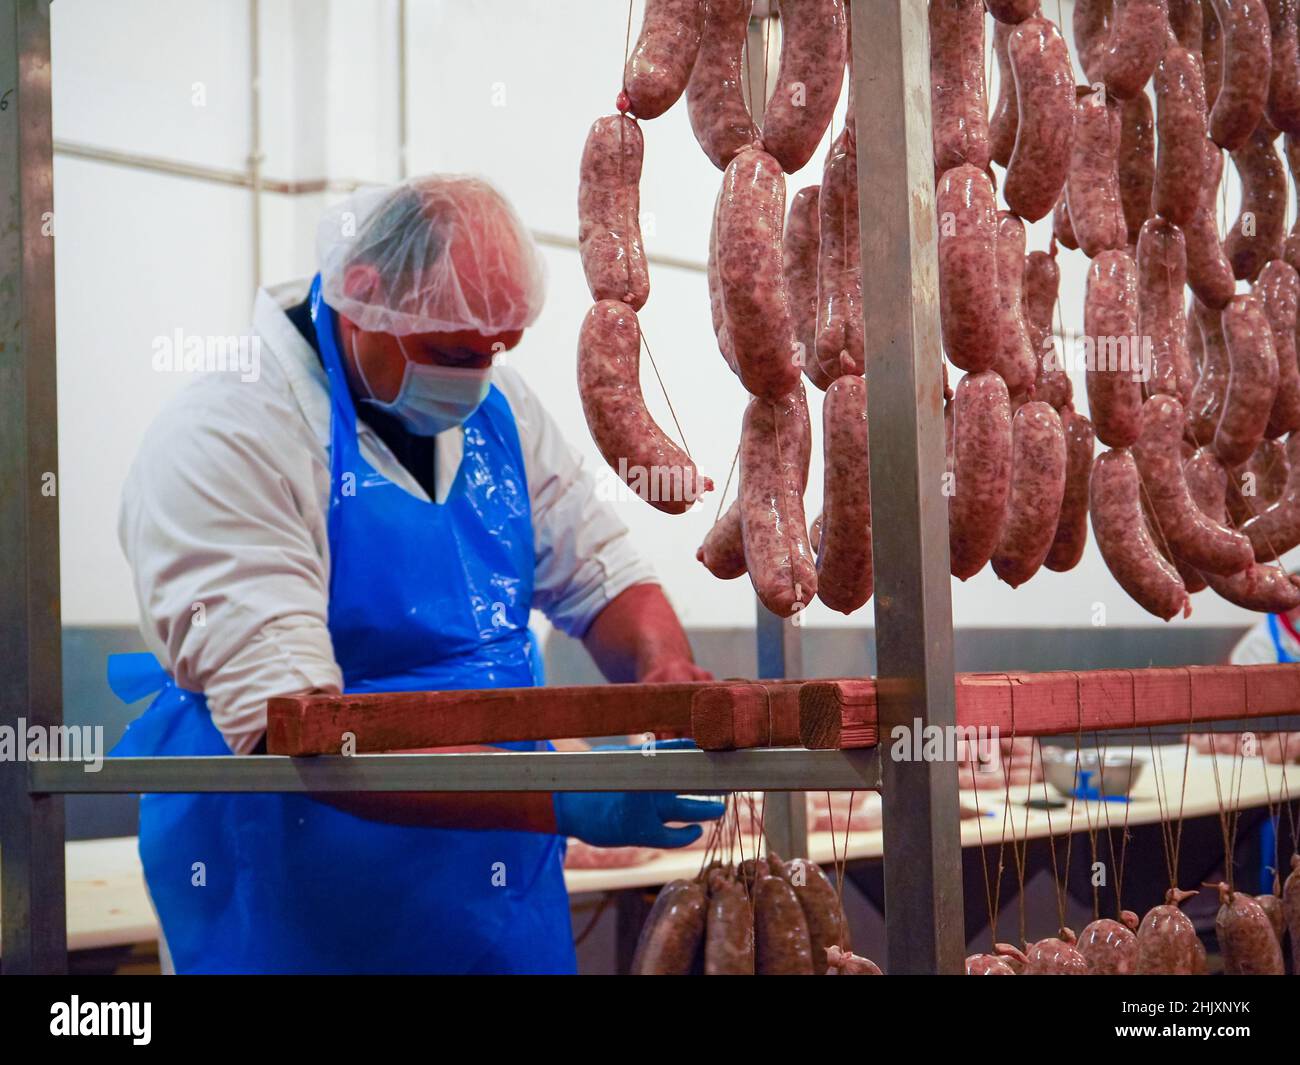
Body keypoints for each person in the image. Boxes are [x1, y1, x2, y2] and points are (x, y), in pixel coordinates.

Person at [110, 175, 722, 974]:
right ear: (361, 299)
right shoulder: (227, 435)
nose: (479, 375)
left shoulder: (500, 410)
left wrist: (660, 666)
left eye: (499, 349)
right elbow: (295, 729)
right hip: (302, 919)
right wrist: (567, 794)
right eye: (454, 353)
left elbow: (601, 574)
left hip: (496, 914)